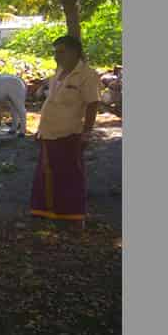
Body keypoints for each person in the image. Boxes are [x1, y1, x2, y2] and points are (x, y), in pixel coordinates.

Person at [30, 35, 101, 227]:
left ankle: (75, 217)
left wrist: (87, 132)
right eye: (55, 52)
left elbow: (92, 104)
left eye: (61, 52)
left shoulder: (87, 75)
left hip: (70, 133)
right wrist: (40, 129)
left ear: (75, 52)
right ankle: (45, 212)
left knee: (71, 176)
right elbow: (51, 101)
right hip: (48, 131)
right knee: (46, 173)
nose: (56, 56)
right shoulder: (59, 72)